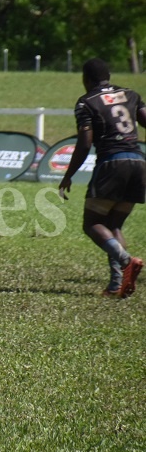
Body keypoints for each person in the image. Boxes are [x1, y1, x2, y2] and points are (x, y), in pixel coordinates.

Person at [59, 58, 146, 298]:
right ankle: (117, 284)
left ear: (86, 79)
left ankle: (127, 262)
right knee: (114, 225)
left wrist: (69, 174)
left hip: (112, 164)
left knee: (92, 224)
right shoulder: (131, 94)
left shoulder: (86, 102)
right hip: (139, 163)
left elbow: (85, 143)